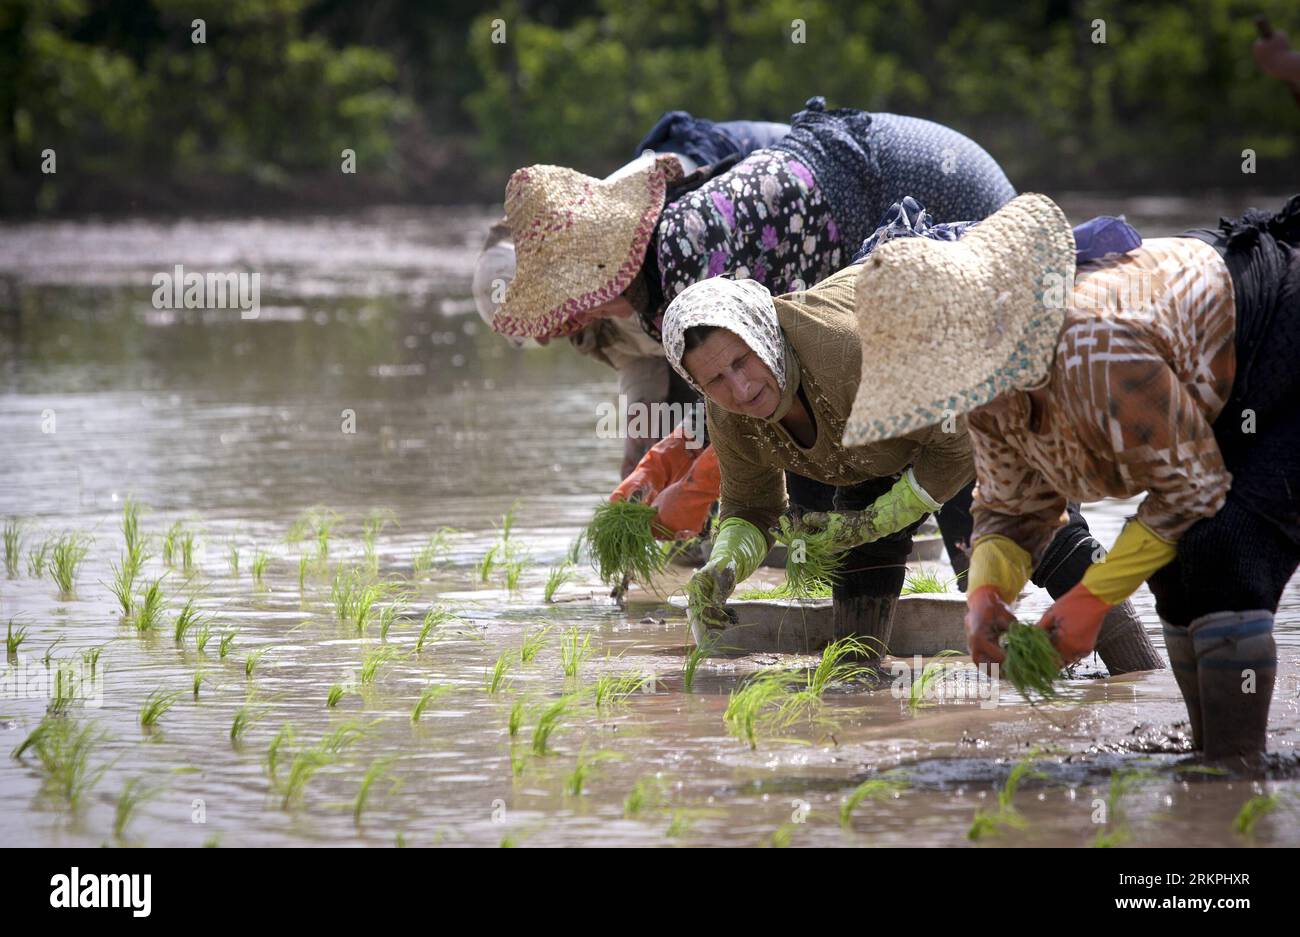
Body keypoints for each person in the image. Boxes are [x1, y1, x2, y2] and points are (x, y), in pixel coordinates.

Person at [841, 191, 1300, 764]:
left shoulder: (1089, 346)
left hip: (1277, 343)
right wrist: (984, 597)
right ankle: (1209, 761)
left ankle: (1235, 775)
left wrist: (1092, 601)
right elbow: (1011, 506)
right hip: (1207, 382)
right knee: (1174, 573)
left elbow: (1191, 487)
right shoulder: (985, 392)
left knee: (1221, 552)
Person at [660, 257, 1162, 675]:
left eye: (742, 362)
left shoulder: (844, 351)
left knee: (1050, 545)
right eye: (715, 381)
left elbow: (960, 436)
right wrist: (722, 568)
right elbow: (753, 505)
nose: (741, 390)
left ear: (761, 334)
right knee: (856, 621)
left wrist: (879, 517)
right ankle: (867, 733)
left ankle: (1143, 682)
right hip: (873, 444)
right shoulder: (728, 413)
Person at [488, 97, 1017, 475]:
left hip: (927, 189)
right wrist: (663, 462)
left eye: (563, 304)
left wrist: (696, 481)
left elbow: (777, 380)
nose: (558, 327)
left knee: (982, 423)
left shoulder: (686, 252)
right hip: (869, 219)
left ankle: (1034, 596)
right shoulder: (650, 289)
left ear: (601, 271)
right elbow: (727, 394)